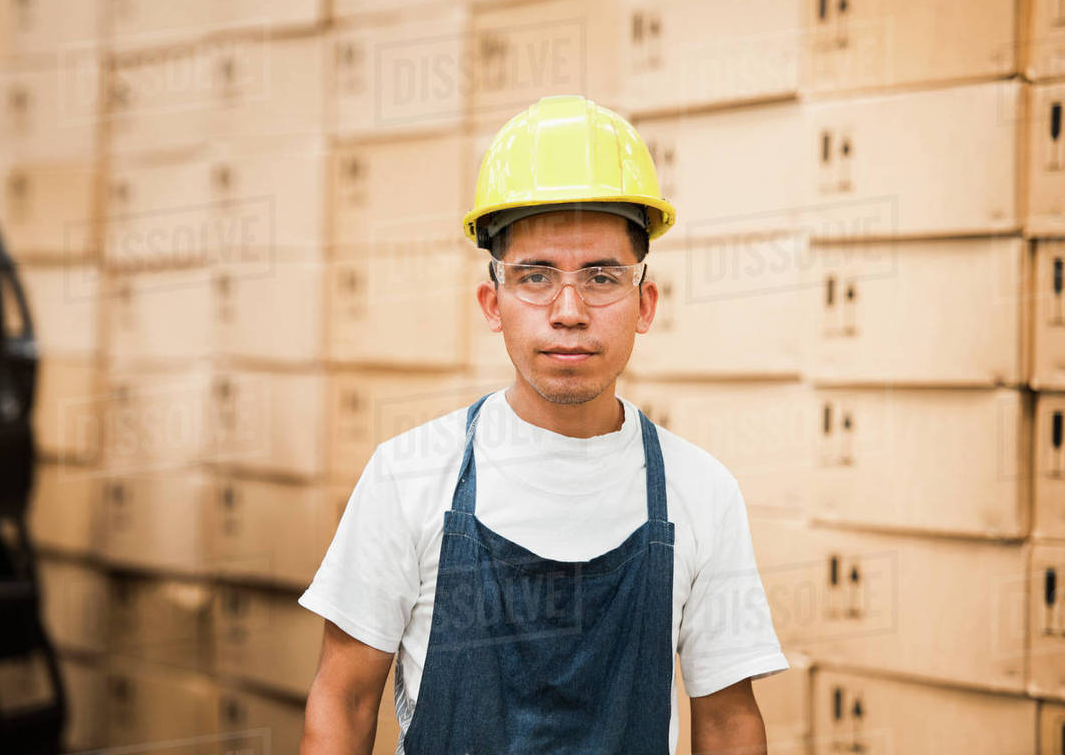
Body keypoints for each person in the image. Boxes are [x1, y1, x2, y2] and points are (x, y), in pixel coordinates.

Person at [298, 95, 788, 755]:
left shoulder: (701, 491)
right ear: (491, 301)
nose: (568, 310)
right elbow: (343, 700)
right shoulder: (409, 476)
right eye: (534, 276)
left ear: (645, 303)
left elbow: (729, 722)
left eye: (601, 277)